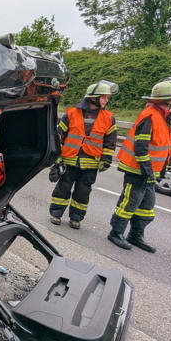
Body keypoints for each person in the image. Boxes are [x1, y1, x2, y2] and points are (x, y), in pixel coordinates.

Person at [108, 75, 171, 252]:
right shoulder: (150, 116)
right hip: (137, 170)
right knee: (129, 203)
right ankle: (116, 233)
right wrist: (148, 170)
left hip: (150, 171)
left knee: (146, 206)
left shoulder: (163, 116)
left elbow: (159, 148)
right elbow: (141, 147)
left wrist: (158, 171)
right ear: (168, 101)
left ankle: (135, 235)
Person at [49, 80, 119, 229]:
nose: (106, 100)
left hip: (91, 164)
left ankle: (76, 218)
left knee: (83, 193)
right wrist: (58, 157)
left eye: (107, 98)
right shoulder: (71, 113)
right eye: (104, 97)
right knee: (63, 189)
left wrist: (106, 159)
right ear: (93, 98)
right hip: (69, 161)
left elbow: (110, 142)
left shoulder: (108, 118)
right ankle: (56, 214)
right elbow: (59, 136)